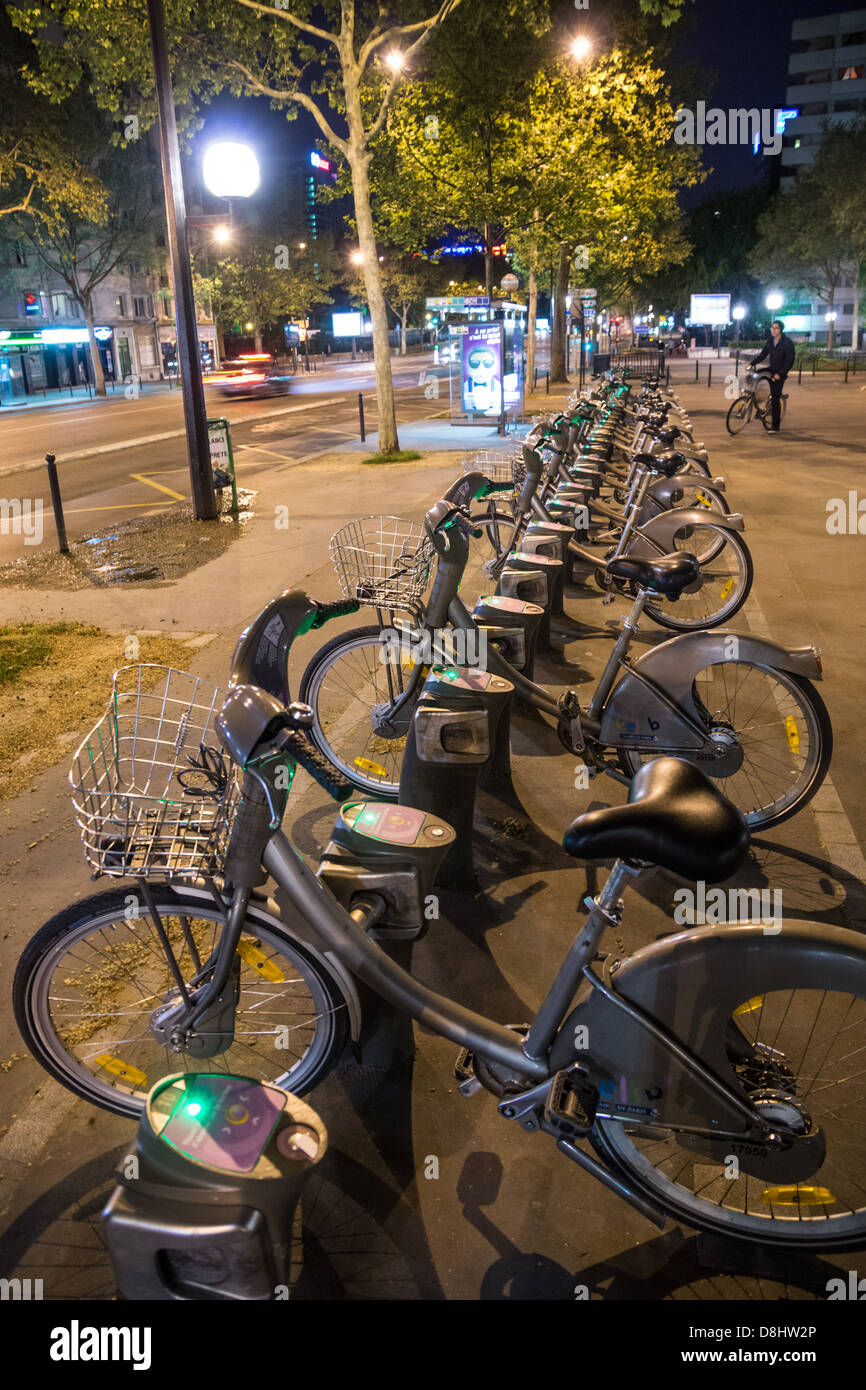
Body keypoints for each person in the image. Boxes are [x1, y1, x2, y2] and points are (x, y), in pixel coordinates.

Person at [750, 319, 795, 432]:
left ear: (781, 330)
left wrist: (780, 374)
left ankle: (775, 426)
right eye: (772, 328)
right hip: (771, 369)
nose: (773, 330)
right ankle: (756, 399)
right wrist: (752, 363)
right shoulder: (770, 341)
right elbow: (763, 355)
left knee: (775, 398)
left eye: (776, 328)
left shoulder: (787, 343)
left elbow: (790, 361)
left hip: (780, 373)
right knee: (755, 375)